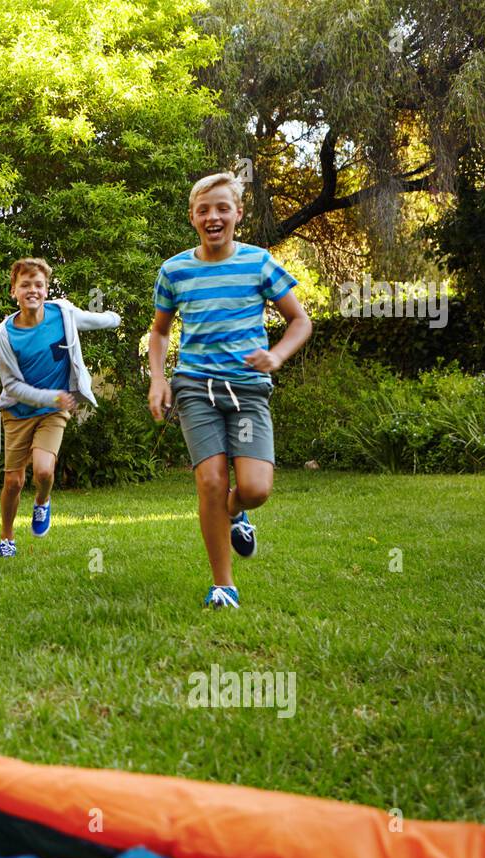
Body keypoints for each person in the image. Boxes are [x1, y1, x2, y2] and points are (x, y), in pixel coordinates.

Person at [147, 172, 313, 608]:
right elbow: (160, 332)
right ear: (192, 217)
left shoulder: (259, 263)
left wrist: (276, 356)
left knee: (256, 489)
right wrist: (159, 378)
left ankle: (236, 510)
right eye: (203, 210)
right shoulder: (174, 270)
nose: (213, 217)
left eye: (222, 208)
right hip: (195, 387)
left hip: (247, 390)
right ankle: (224, 585)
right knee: (211, 481)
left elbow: (300, 321)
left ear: (238, 213)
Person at [0, 257, 121, 558]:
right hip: (18, 412)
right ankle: (7, 535)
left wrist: (115, 319)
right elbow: (12, 386)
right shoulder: (4, 336)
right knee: (13, 482)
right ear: (13, 291)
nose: (33, 290)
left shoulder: (61, 314)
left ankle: (42, 501)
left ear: (46, 289)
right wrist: (49, 397)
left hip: (53, 410)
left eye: (38, 285)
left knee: (43, 470)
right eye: (25, 285)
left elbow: (91, 320)